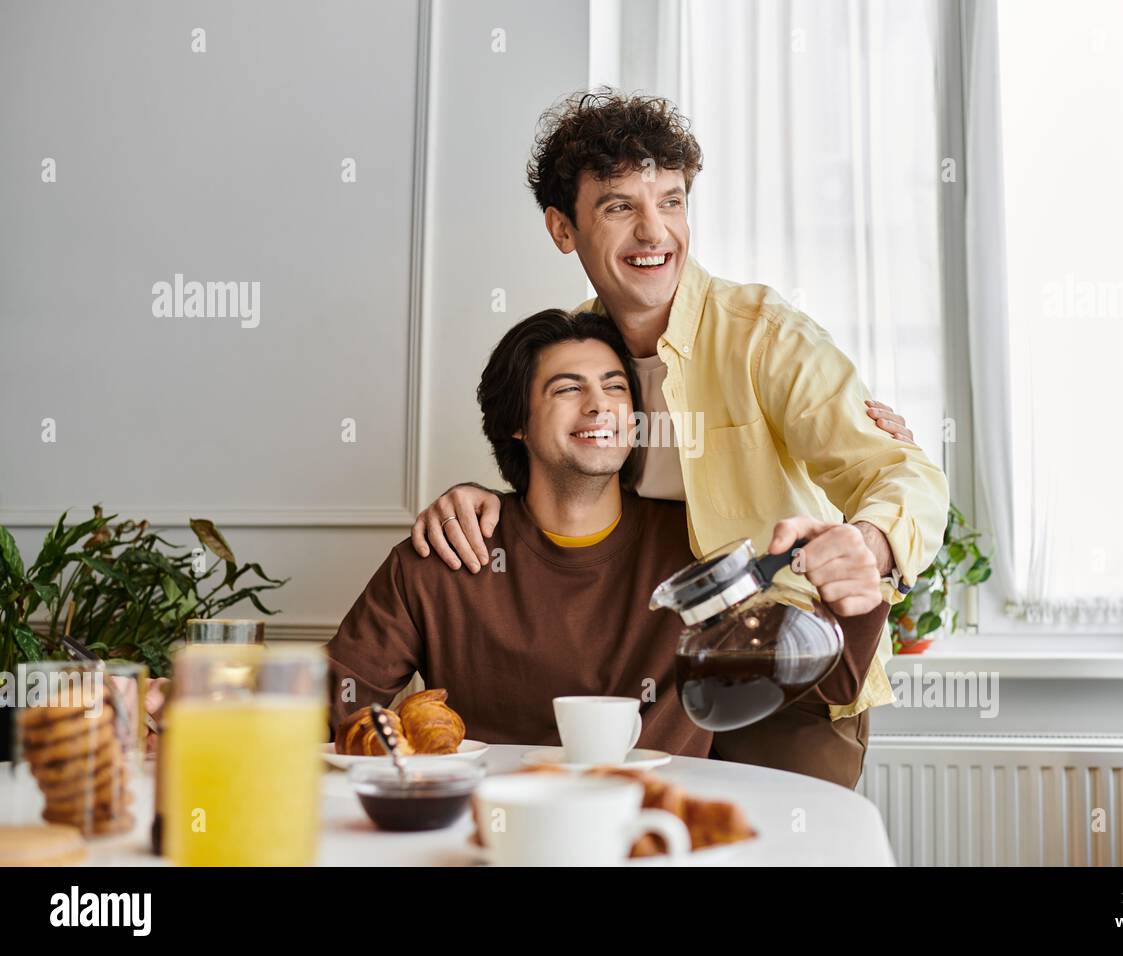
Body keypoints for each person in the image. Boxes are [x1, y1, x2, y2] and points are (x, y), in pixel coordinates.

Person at [409, 90, 950, 788]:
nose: (654, 231)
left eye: (670, 201)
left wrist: (870, 542)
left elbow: (899, 472)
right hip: (640, 682)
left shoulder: (767, 335)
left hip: (782, 676)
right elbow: (559, 477)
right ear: (562, 228)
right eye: (619, 206)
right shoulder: (570, 348)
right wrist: (481, 502)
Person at [325, 310, 886, 759]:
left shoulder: (695, 551)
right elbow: (330, 702)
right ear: (516, 422)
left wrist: (855, 588)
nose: (600, 405)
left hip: (657, 838)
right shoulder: (444, 556)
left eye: (615, 387)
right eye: (567, 389)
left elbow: (826, 686)